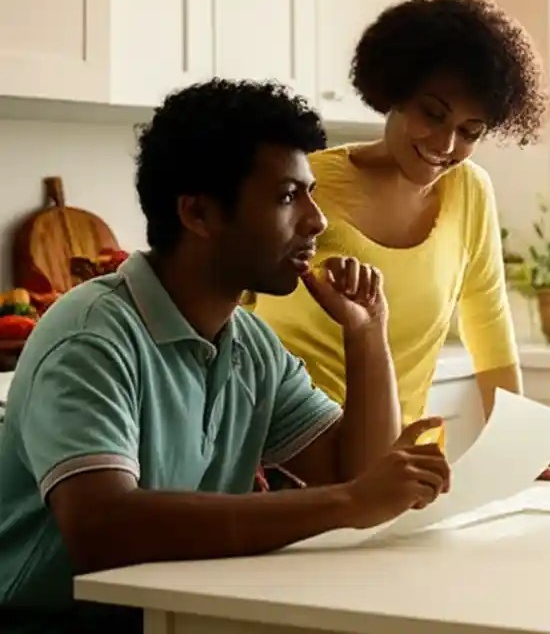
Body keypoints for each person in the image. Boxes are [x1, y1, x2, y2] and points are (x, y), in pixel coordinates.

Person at [0, 79, 452, 632]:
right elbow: (102, 528)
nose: (317, 220)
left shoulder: (249, 345)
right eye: (288, 196)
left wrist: (366, 334)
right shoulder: (93, 336)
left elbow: (358, 476)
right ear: (199, 214)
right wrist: (352, 500)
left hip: (175, 615)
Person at [249, 0, 550, 482]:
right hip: (284, 460)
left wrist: (519, 454)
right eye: (433, 113)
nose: (446, 144)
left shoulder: (469, 192)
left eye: (470, 131)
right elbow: (229, 317)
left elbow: (489, 332)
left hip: (400, 466)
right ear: (395, 90)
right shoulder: (305, 185)